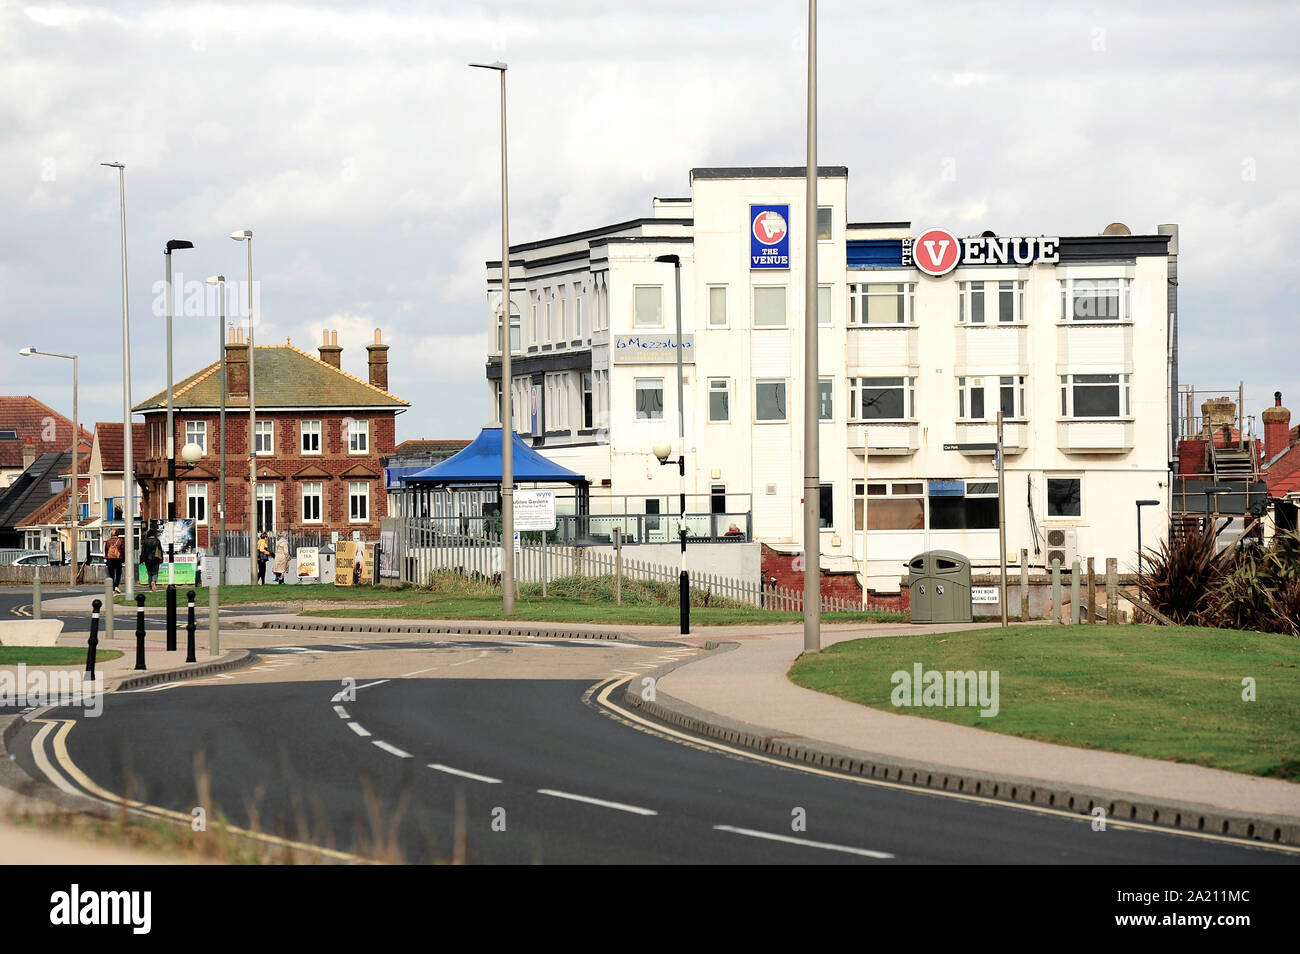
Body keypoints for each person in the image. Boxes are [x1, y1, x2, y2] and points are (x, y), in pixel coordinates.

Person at [141, 528, 163, 592]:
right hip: (156, 559)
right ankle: (153, 581)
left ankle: (151, 587)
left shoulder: (145, 541)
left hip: (147, 559)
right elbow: (160, 551)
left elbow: (143, 551)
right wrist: (161, 559)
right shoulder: (157, 541)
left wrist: (141, 560)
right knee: (155, 572)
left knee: (149, 573)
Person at [104, 528, 125, 593]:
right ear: (118, 534)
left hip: (110, 559)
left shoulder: (108, 541)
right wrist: (123, 559)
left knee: (111, 574)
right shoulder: (120, 541)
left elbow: (106, 551)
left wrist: (107, 558)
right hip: (118, 559)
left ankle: (113, 588)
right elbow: (123, 550)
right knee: (118, 573)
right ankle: (116, 586)